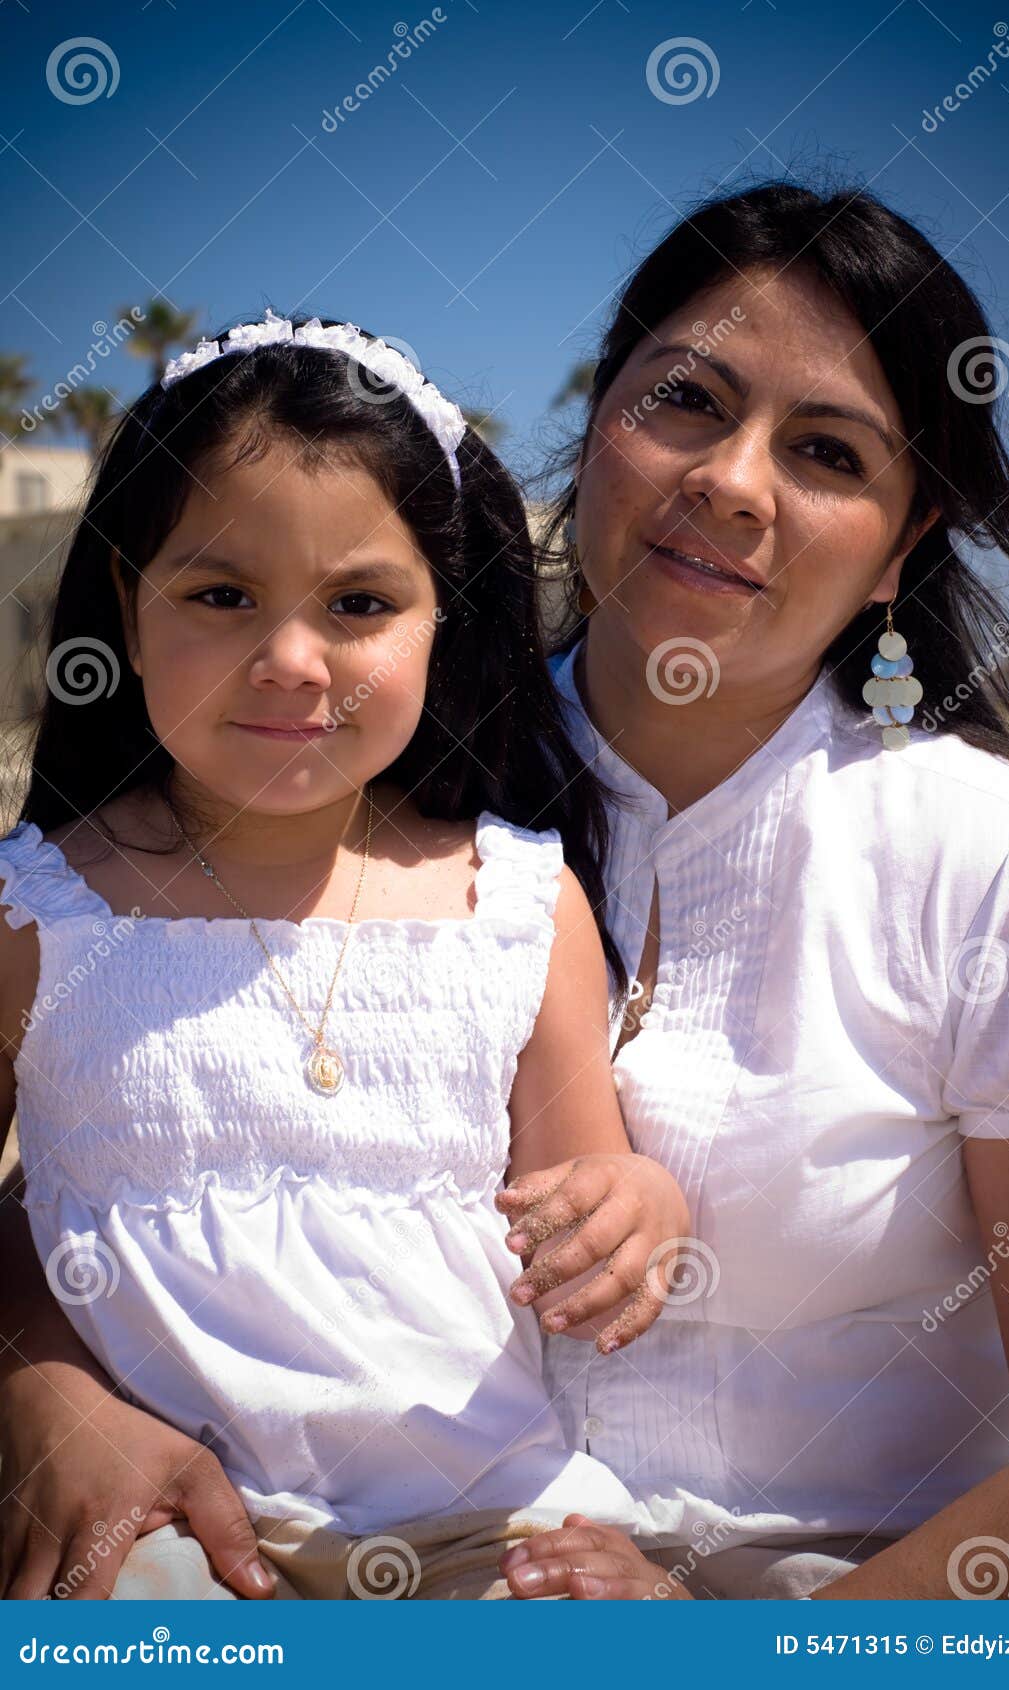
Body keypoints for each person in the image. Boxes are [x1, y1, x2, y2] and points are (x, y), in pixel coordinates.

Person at [0, 312, 689, 1600]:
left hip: (490, 1519)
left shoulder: (518, 904)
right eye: (220, 596)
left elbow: (579, 1176)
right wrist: (47, 1393)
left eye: (361, 603)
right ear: (126, 619)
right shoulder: (39, 910)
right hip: (166, 1514)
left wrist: (635, 1211)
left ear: (444, 622)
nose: (291, 660)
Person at [498, 179, 1009, 1599]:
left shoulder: (995, 864)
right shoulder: (369, 799)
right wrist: (50, 1383)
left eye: (824, 451)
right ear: (598, 424)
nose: (735, 482)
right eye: (687, 399)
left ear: (901, 545)